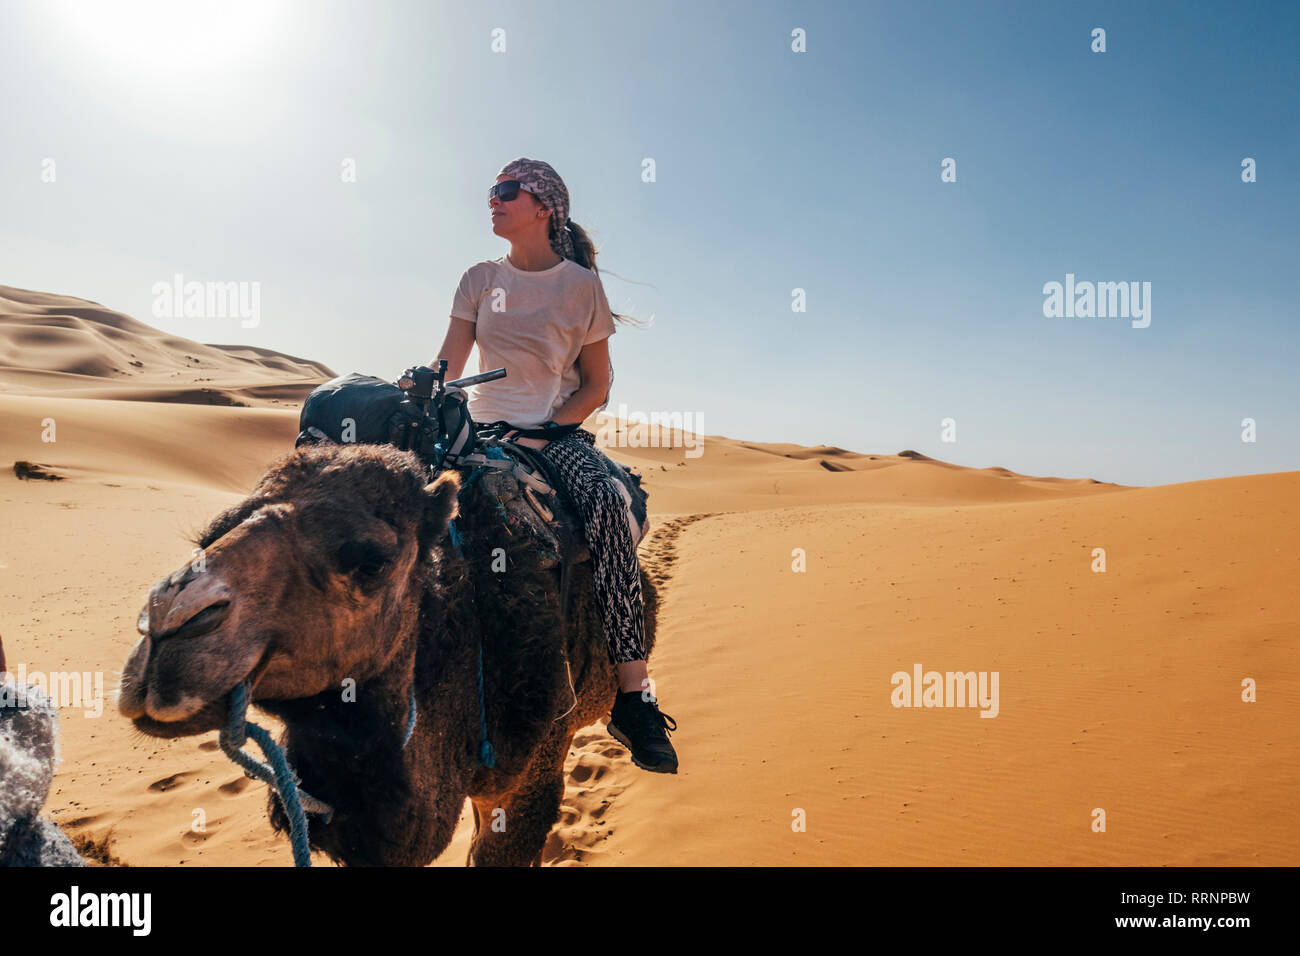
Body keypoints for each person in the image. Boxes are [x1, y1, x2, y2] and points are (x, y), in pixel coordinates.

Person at [432, 157, 678, 774]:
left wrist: (547, 430)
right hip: (476, 430)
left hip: (554, 433)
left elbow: (596, 385)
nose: (493, 199)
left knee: (607, 508)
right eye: (492, 189)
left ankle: (633, 696)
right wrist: (426, 388)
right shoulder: (477, 278)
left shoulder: (580, 287)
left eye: (506, 191)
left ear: (543, 206)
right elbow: (448, 368)